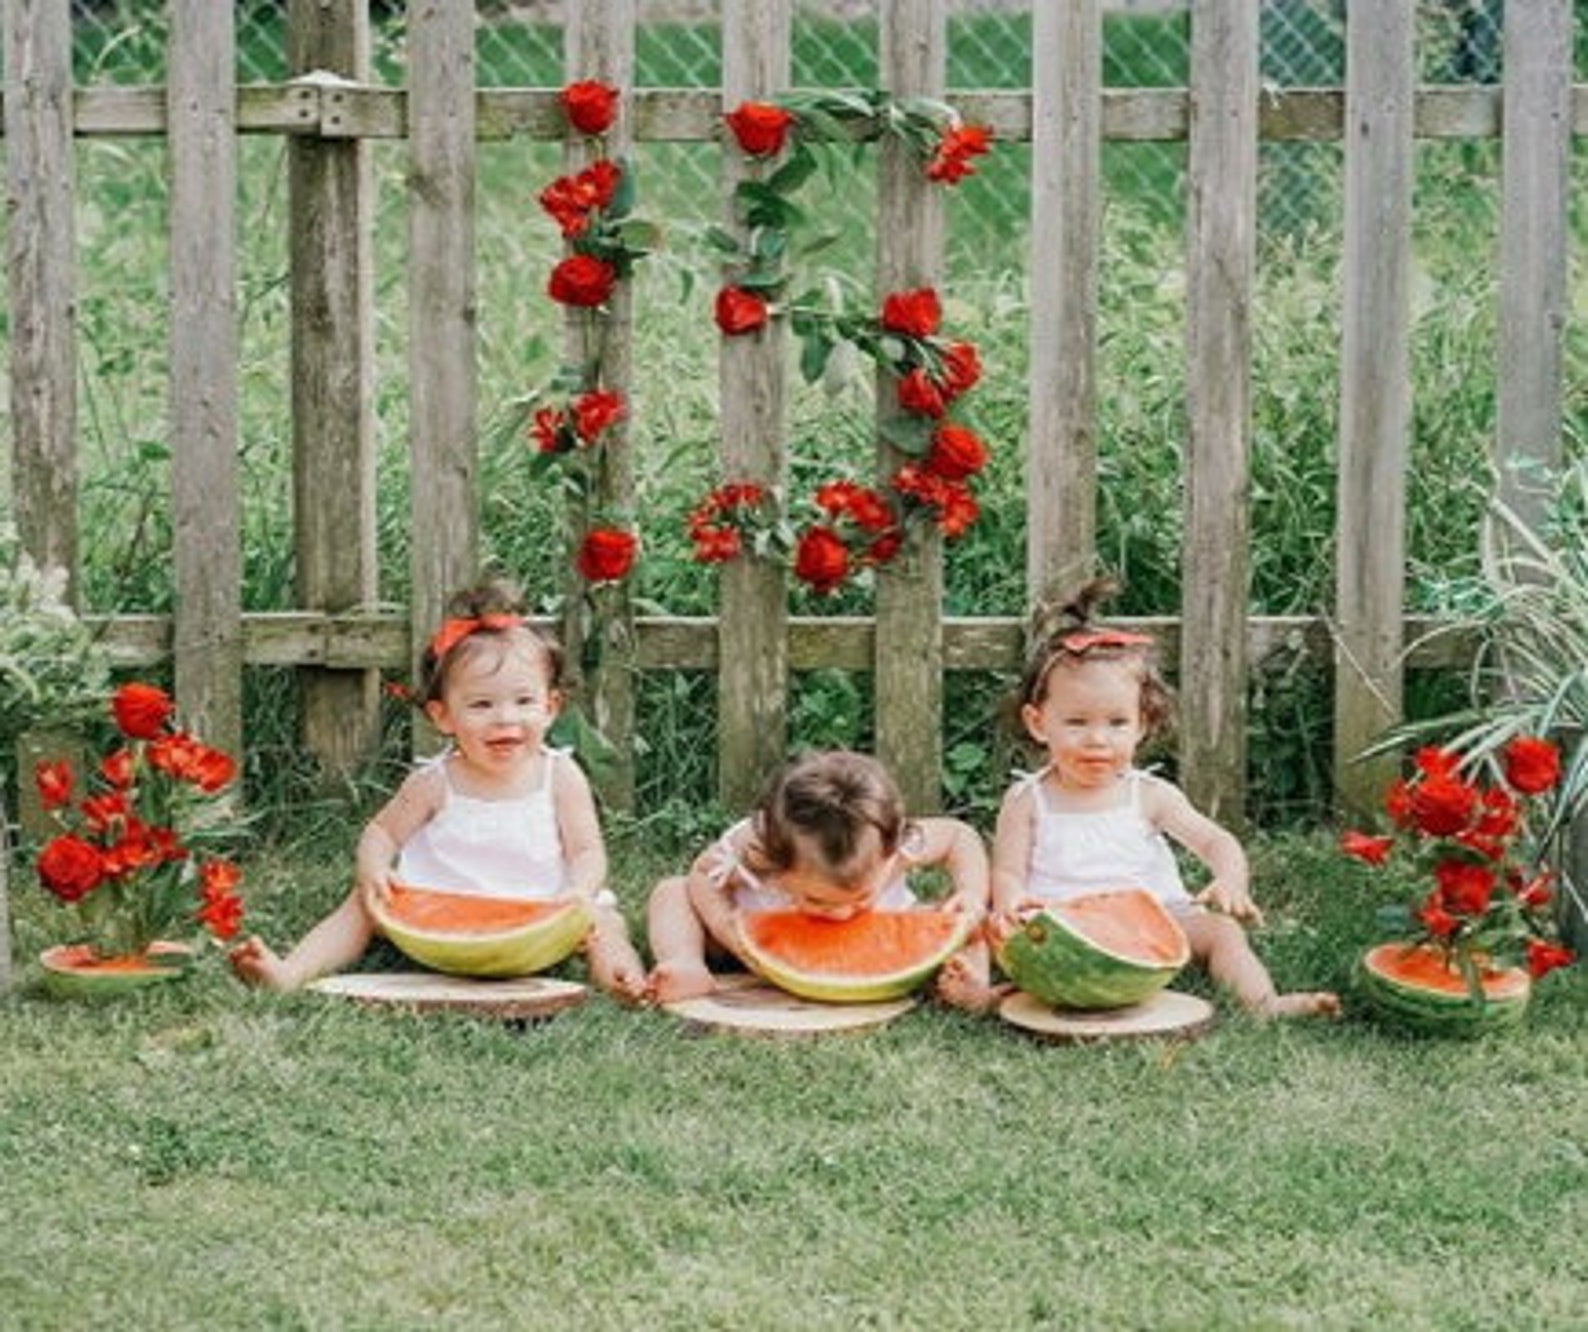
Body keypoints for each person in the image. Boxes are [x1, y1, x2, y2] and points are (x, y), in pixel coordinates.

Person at [230, 578, 646, 1001]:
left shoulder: (560, 775)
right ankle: (291, 970)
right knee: (363, 904)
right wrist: (373, 870)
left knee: (606, 922)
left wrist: (577, 892)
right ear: (443, 716)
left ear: (551, 707)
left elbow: (587, 852)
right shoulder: (433, 781)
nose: (506, 719)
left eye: (524, 702)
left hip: (544, 910)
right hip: (440, 911)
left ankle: (623, 980)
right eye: (482, 705)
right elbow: (383, 832)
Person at [989, 580, 1338, 1020]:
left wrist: (1231, 881)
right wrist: (1010, 900)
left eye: (1117, 722)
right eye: (1076, 722)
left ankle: (1265, 1002)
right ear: (1038, 723)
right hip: (1058, 932)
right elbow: (1006, 870)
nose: (1097, 740)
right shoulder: (1026, 800)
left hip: (1153, 928)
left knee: (1222, 932)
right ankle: (984, 996)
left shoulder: (1149, 795)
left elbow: (1216, 843)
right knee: (979, 931)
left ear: (1143, 724)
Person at [646, 749, 998, 1012]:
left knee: (965, 925)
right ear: (776, 863)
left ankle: (971, 985)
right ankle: (685, 963)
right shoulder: (754, 847)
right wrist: (725, 927)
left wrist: (970, 893)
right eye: (817, 900)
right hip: (754, 943)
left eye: (861, 896)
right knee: (672, 892)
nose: (841, 915)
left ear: (890, 854)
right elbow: (703, 876)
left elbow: (959, 837)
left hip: (879, 940)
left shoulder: (897, 845)